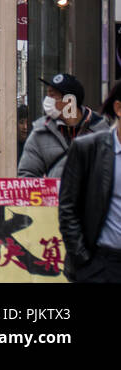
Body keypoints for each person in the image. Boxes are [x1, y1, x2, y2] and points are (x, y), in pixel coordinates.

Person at [59, 82, 121, 282]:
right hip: (101, 264)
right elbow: (68, 208)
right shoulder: (88, 149)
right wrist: (83, 260)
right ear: (118, 108)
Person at [19, 74, 109, 179]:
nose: (47, 100)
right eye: (47, 95)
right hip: (55, 195)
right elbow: (27, 175)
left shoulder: (101, 130)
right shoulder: (41, 131)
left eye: (52, 96)